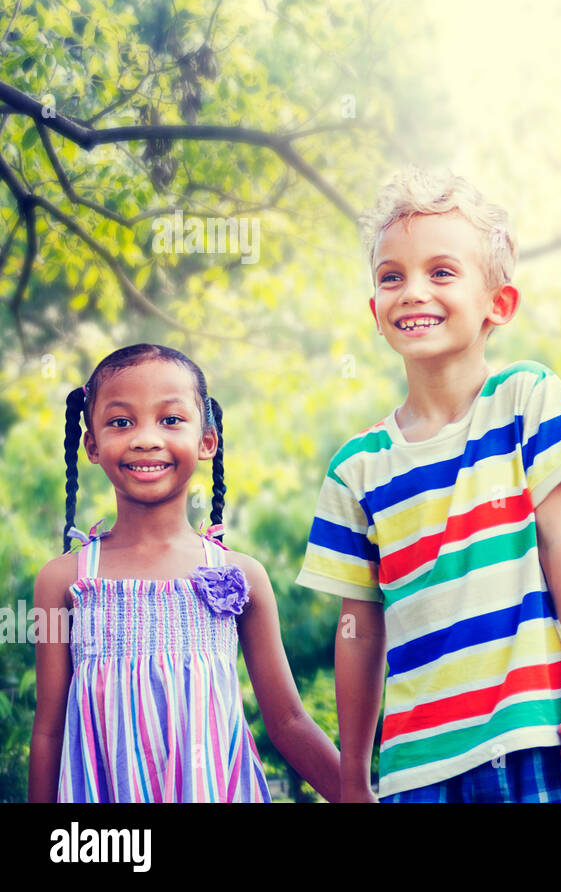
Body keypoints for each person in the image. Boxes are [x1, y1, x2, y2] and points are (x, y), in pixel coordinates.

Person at [296, 168, 561, 802]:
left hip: (542, 735)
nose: (412, 292)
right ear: (375, 310)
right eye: (392, 276)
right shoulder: (356, 468)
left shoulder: (526, 398)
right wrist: (351, 781)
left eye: (442, 272)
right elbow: (359, 628)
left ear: (498, 304)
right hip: (418, 773)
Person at [28, 344, 340, 802]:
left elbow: (289, 721)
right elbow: (49, 731)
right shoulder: (61, 582)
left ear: (207, 440)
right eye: (121, 422)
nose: (145, 438)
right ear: (91, 444)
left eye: (170, 419)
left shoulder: (241, 575)